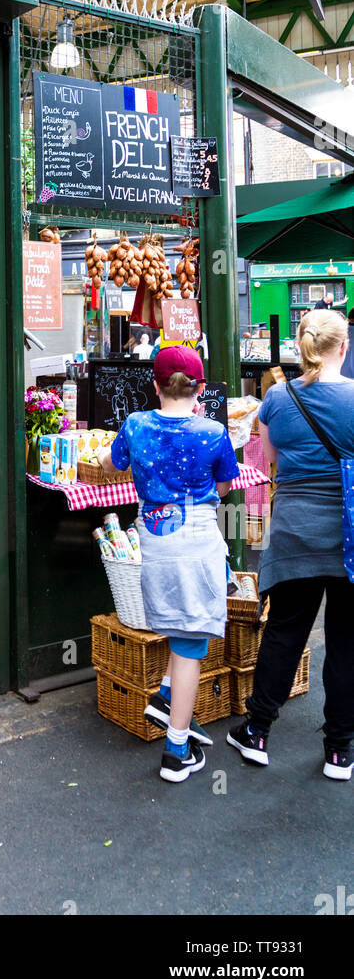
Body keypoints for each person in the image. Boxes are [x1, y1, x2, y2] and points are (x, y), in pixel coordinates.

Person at [98, 347, 240, 782]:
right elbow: (226, 483)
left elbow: (109, 464)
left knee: (179, 628)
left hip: (154, 541)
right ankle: (176, 751)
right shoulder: (213, 431)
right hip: (196, 540)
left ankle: (163, 695)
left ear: (155, 386)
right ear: (199, 389)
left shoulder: (135, 425)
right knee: (192, 641)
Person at [227, 309, 354, 779]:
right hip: (349, 536)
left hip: (294, 532)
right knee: (345, 644)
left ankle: (257, 732)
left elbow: (273, 461)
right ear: (343, 347)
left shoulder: (277, 398)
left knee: (283, 632)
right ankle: (340, 750)